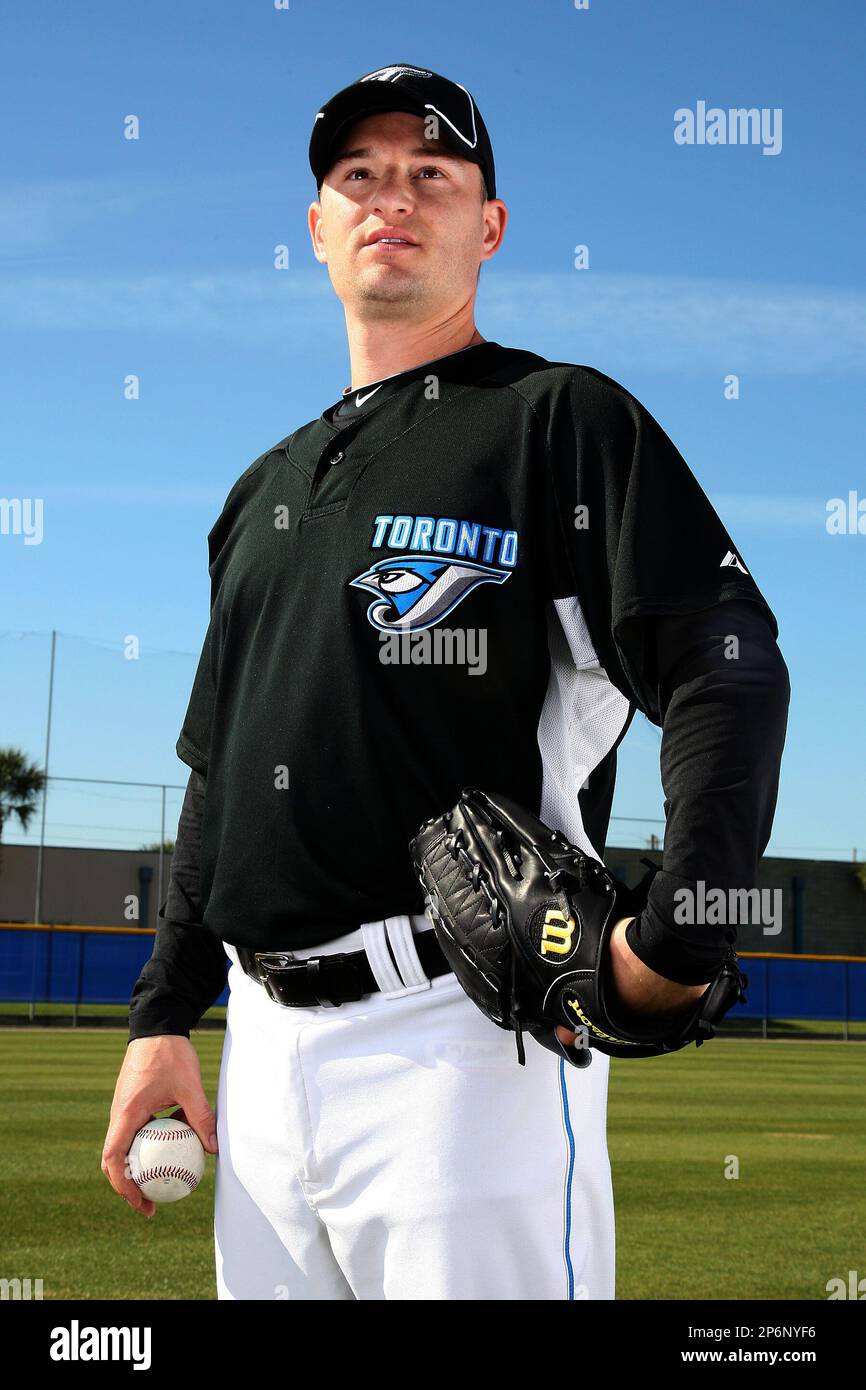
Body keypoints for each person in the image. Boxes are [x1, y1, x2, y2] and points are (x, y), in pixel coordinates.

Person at [102, 63, 790, 1301]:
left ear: (490, 225)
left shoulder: (555, 421)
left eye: (433, 173)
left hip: (467, 1039)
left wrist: (683, 934)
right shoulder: (256, 495)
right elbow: (216, 777)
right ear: (317, 228)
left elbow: (724, 664)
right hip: (262, 1057)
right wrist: (165, 1012)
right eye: (357, 175)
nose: (391, 197)